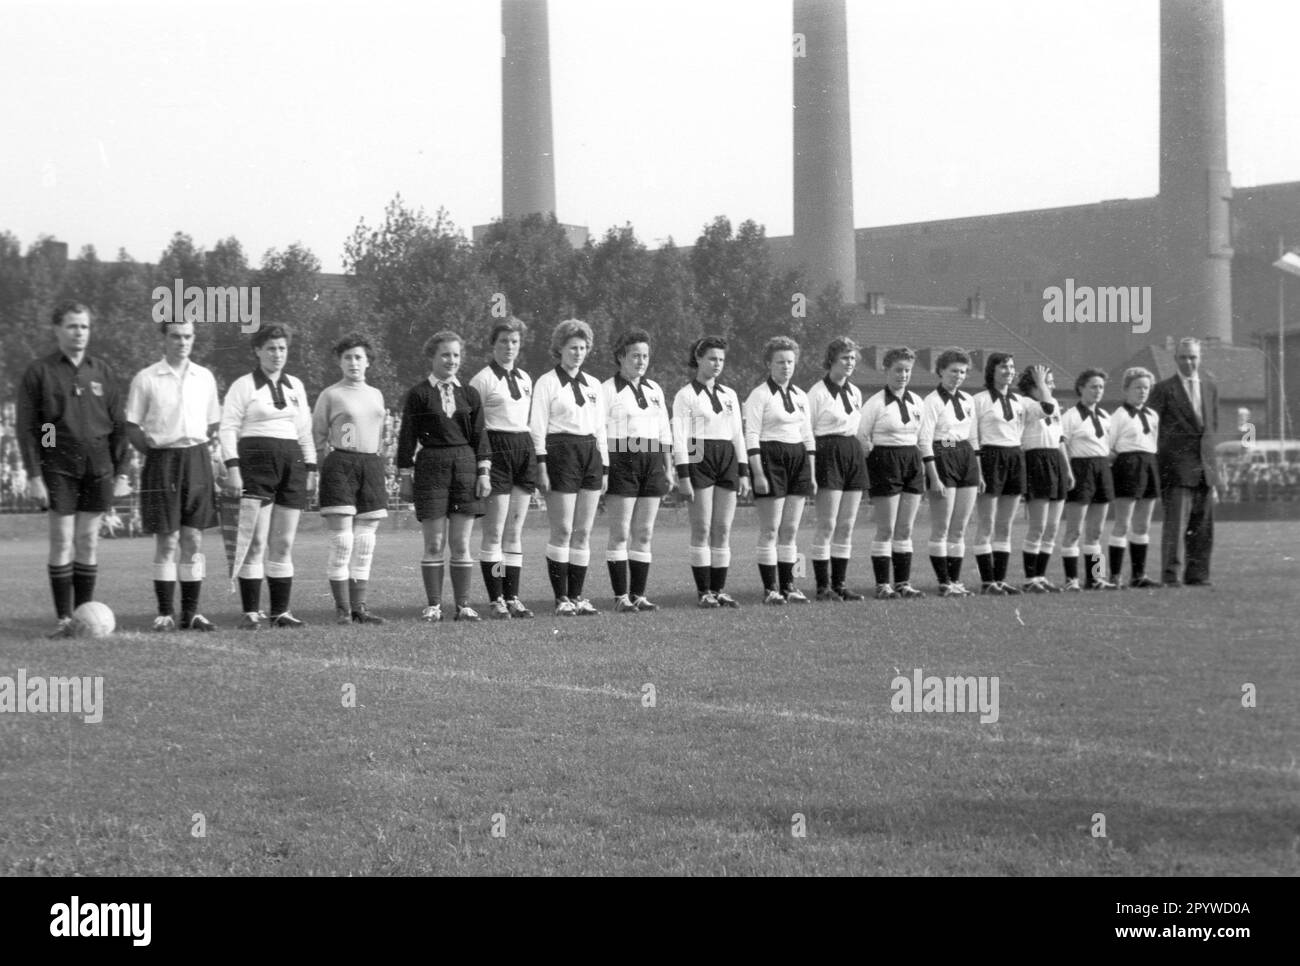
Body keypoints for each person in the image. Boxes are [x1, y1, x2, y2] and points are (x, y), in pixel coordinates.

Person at [17, 301, 131, 637]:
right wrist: (37, 473)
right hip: (59, 467)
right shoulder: (42, 372)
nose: (79, 332)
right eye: (72, 326)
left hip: (99, 466)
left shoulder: (102, 371)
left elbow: (118, 425)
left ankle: (84, 614)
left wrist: (122, 471)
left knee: (88, 542)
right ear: (57, 329)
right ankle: (65, 619)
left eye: (84, 326)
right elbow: (35, 427)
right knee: (62, 541)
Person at [125, 317, 221, 631]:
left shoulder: (204, 377)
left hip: (196, 458)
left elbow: (211, 423)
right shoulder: (146, 378)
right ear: (164, 339)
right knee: (167, 541)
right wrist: (154, 454)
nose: (182, 342)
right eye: (176, 336)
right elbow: (131, 426)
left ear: (194, 339)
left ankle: (191, 613)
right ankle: (165, 613)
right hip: (162, 461)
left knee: (193, 540)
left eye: (188, 336)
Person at [219, 324, 317, 629]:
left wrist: (312, 468)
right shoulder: (243, 385)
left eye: (282, 348)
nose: (277, 354)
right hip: (255, 463)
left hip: (292, 463)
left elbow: (304, 431)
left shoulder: (296, 386)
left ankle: (280, 612)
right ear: (257, 351)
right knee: (256, 541)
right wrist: (233, 468)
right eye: (271, 348)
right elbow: (227, 428)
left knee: (283, 542)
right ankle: (250, 612)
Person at [397, 331, 492, 622]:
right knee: (435, 543)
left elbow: (480, 436)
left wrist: (483, 472)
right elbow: (407, 438)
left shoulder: (470, 394)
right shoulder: (418, 394)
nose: (451, 360)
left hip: (464, 466)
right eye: (445, 355)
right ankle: (434, 605)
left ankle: (463, 605)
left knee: (461, 544)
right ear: (433, 357)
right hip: (431, 467)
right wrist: (405, 475)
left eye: (456, 355)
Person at [530, 319, 608, 616]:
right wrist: (541, 466)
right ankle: (561, 598)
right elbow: (537, 428)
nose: (578, 353)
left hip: (590, 453)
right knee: (562, 529)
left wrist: (605, 467)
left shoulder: (594, 385)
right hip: (560, 452)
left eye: (583, 348)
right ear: (560, 349)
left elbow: (600, 428)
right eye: (572, 347)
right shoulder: (547, 382)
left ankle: (577, 596)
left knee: (583, 531)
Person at [313, 334, 389, 625]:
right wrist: (324, 469)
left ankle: (360, 608)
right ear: (340, 362)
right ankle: (343, 609)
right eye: (348, 357)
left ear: (368, 361)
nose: (353, 362)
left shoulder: (376, 394)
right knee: (343, 541)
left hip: (370, 464)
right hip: (341, 462)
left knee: (365, 540)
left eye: (358, 357)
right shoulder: (331, 394)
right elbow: (318, 436)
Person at [671, 336, 750, 608]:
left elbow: (738, 434)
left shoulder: (730, 395)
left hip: (726, 456)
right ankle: (703, 591)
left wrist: (743, 471)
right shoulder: (686, 395)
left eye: (721, 360)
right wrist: (683, 475)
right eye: (712, 359)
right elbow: (680, 437)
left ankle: (719, 590)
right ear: (698, 359)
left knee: (722, 528)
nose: (717, 364)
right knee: (702, 528)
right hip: (698, 453)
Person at [468, 317, 537, 619]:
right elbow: (475, 427)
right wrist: (482, 467)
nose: (509, 347)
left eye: (514, 342)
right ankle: (496, 598)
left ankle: (513, 597)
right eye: (503, 342)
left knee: (515, 531)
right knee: (494, 532)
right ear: (493, 345)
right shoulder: (481, 380)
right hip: (496, 449)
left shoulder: (525, 378)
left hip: (523, 447)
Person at [602, 329, 673, 612]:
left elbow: (665, 431)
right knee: (620, 532)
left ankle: (639, 595)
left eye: (645, 356)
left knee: (643, 532)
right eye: (635, 356)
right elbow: (600, 432)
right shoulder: (607, 390)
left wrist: (668, 469)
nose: (641, 361)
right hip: (621, 459)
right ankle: (621, 597)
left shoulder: (655, 390)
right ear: (621, 357)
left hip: (652, 460)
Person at [970, 353, 1053, 594]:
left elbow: (1048, 408)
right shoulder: (979, 400)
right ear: (991, 371)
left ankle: (1001, 579)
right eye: (1003, 366)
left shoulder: (1021, 401)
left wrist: (1041, 382)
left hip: (1016, 457)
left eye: (1011, 366)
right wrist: (979, 470)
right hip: (990, 457)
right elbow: (972, 436)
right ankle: (988, 582)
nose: (1008, 370)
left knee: (1006, 525)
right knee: (987, 523)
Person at [745, 336, 816, 604]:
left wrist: (810, 470)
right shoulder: (759, 395)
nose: (786, 367)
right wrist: (758, 473)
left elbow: (807, 435)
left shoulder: (800, 396)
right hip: (770, 459)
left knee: (790, 530)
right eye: (780, 362)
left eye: (790, 362)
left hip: (798, 460)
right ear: (768, 364)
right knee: (770, 529)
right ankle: (770, 589)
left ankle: (789, 586)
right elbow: (751, 434)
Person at [1148, 337, 1219, 586]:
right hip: (1177, 469)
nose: (1189, 361)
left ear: (1200, 357)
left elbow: (1211, 430)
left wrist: (1214, 470)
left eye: (1193, 357)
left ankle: (1198, 575)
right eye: (1183, 357)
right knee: (1176, 526)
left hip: (1204, 470)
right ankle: (1171, 575)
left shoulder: (1210, 387)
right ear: (1175, 359)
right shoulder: (1163, 389)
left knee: (1203, 527)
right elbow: (1151, 429)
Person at [858, 346, 925, 598]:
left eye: (907, 370)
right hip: (885, 461)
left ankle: (903, 583)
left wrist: (949, 446)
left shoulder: (918, 401)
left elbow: (925, 437)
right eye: (898, 370)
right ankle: (883, 585)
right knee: (886, 529)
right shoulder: (875, 403)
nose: (903, 375)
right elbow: (862, 436)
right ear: (886, 370)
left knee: (905, 529)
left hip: (911, 459)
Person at [806, 336, 867, 601]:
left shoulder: (855, 392)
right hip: (827, 453)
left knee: (847, 524)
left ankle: (840, 584)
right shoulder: (816, 393)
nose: (850, 363)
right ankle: (823, 587)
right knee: (827, 523)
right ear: (832, 360)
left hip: (851, 453)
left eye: (853, 358)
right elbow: (807, 431)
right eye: (845, 357)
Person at [918, 348, 980, 597]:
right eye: (953, 370)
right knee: (942, 526)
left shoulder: (968, 400)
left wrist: (980, 471)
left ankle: (955, 581)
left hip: (967, 458)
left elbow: (973, 437)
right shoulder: (931, 401)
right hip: (943, 455)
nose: (958, 375)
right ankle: (944, 582)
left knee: (960, 527)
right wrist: (933, 476)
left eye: (963, 372)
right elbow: (925, 440)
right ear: (941, 371)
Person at [1060, 368, 1117, 590]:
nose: (1098, 391)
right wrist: (1068, 472)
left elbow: (1110, 446)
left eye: (1101, 387)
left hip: (1102, 468)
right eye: (1093, 386)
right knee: (1074, 530)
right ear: (1081, 388)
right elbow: (1061, 444)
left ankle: (1095, 578)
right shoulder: (1070, 417)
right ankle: (1071, 579)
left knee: (1096, 531)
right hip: (1080, 469)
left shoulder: (1105, 416)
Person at [1107, 366, 1162, 588]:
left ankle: (1139, 575)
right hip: (1127, 466)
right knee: (1122, 523)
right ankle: (1115, 576)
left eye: (1146, 388)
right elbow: (1109, 447)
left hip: (1148, 464)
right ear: (1126, 389)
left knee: (1143, 525)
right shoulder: (1118, 416)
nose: (1142, 391)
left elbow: (1153, 442)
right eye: (1137, 387)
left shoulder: (1153, 415)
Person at [1015, 364, 1067, 593]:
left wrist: (1068, 470)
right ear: (1035, 386)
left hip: (1055, 461)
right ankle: (1030, 578)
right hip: (1036, 460)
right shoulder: (1025, 403)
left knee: (1053, 528)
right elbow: (1045, 407)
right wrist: (1041, 383)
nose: (1052, 386)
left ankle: (1042, 576)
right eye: (1047, 382)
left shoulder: (1055, 406)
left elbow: (1060, 440)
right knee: (1038, 526)